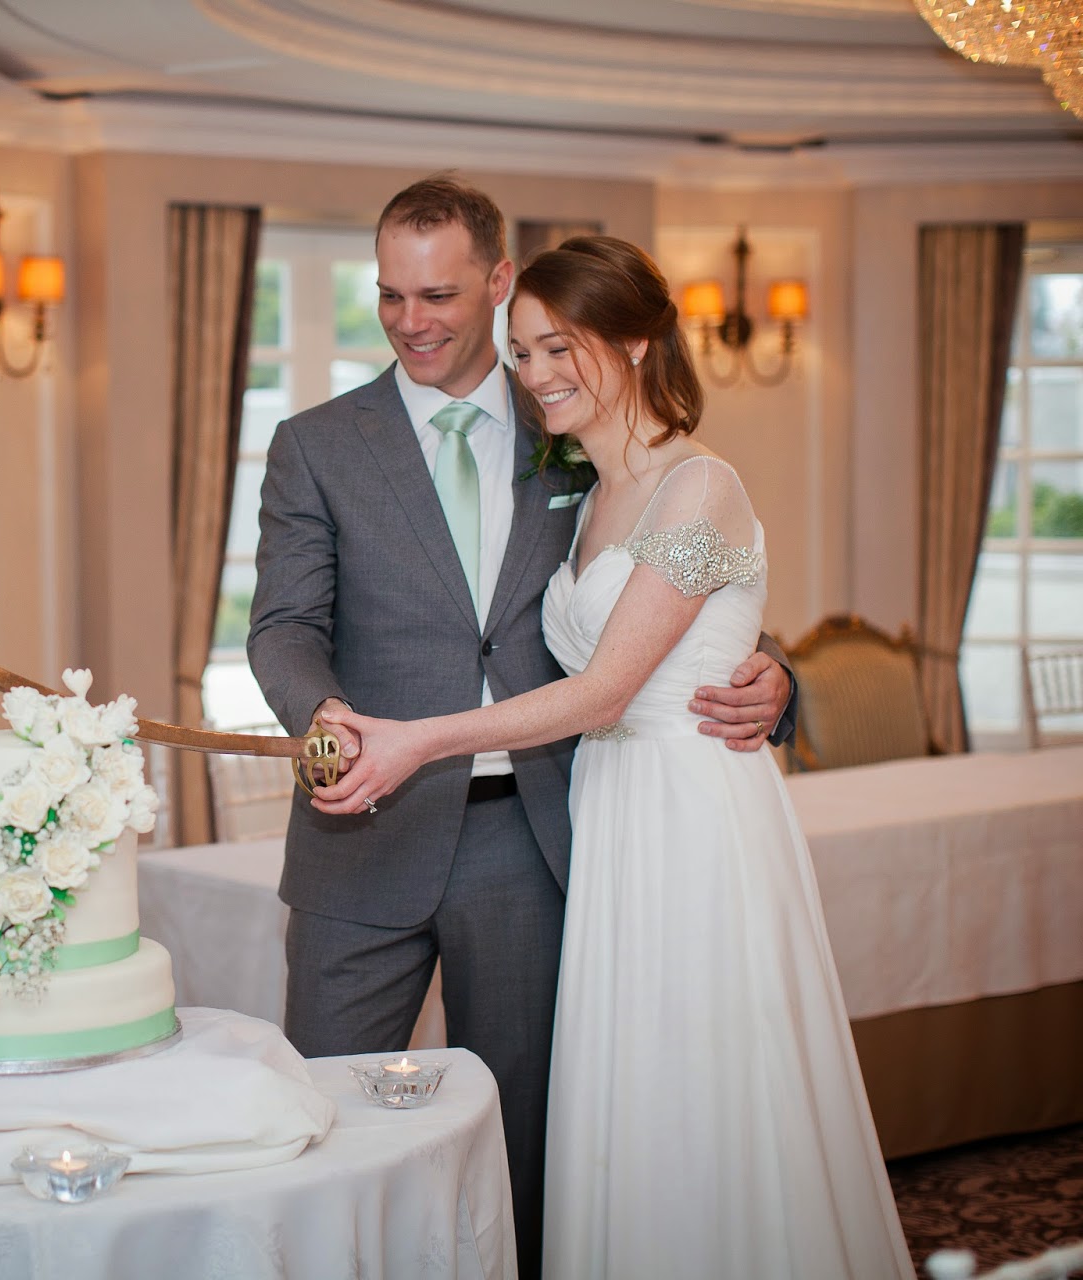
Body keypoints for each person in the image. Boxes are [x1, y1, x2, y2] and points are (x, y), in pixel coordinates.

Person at [310, 235, 914, 1279]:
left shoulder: (700, 486)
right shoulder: (582, 494)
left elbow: (607, 688)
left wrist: (418, 738)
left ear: (635, 341)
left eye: (561, 347)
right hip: (607, 808)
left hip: (692, 810)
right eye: (524, 352)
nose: (536, 372)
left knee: (704, 1066)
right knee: (631, 1073)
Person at [246, 176, 795, 1274]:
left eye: (438, 294)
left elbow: (680, 587)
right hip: (366, 839)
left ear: (498, 281)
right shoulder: (316, 443)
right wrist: (325, 714)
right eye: (390, 294)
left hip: (538, 841)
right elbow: (283, 626)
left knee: (538, 1138)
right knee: (319, 1120)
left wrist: (775, 672)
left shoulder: (572, 434)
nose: (410, 320)